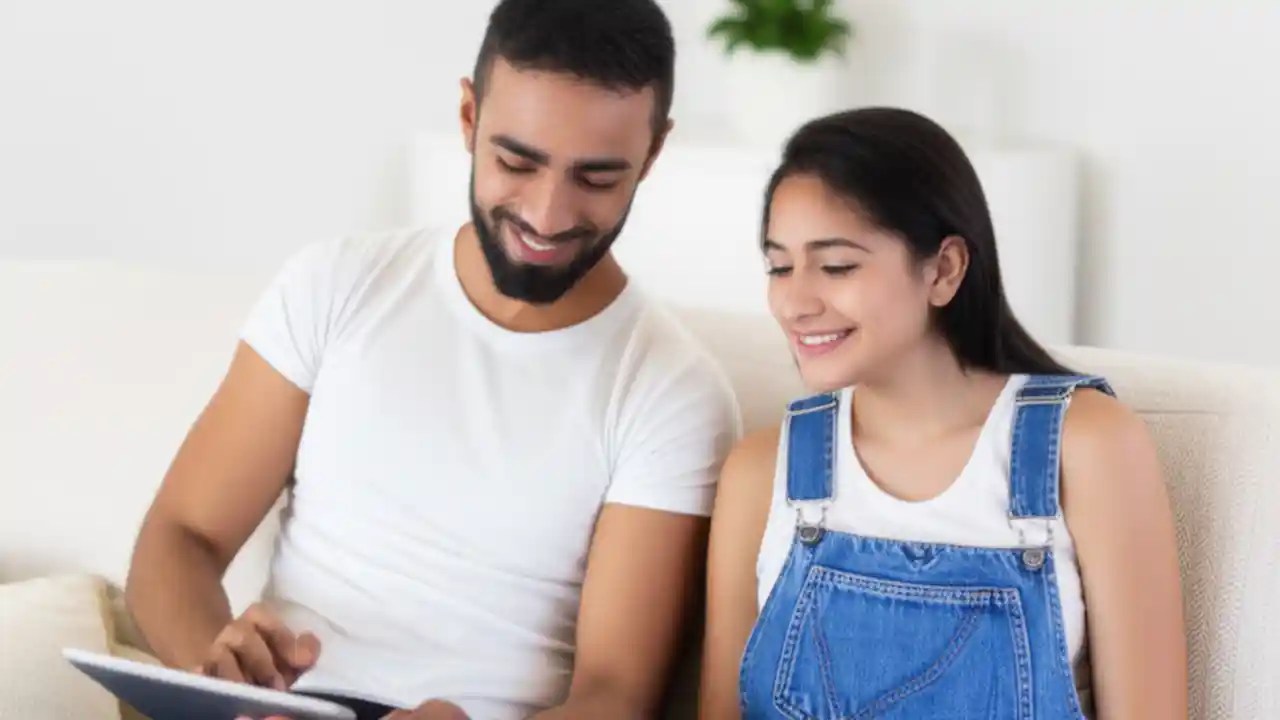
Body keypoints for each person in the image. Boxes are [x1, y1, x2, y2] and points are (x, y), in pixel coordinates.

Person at [124, 1, 742, 719]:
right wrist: (221, 677)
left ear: (654, 153)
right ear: (468, 115)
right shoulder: (338, 284)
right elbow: (179, 537)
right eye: (517, 161)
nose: (547, 215)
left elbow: (614, 695)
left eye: (597, 179)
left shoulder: (671, 389)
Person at [699, 108, 1187, 719]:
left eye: (837, 266)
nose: (795, 301)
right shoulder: (761, 472)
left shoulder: (1085, 445)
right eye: (779, 266)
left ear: (945, 268)